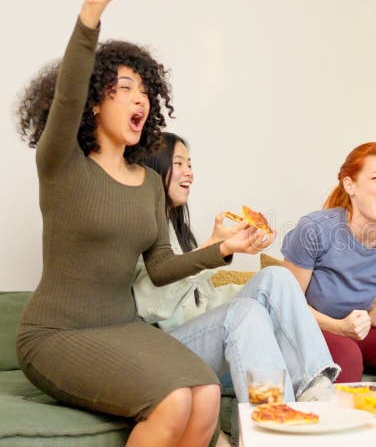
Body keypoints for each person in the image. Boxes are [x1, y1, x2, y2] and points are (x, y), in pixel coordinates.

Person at [14, 0, 269, 446]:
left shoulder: (150, 182)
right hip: (56, 334)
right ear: (95, 102)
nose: (141, 99)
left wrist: (224, 248)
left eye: (146, 92)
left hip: (122, 326)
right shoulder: (62, 164)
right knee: (173, 400)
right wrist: (90, 14)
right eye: (126, 87)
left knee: (207, 393)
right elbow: (68, 94)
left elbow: (161, 267)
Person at [132, 132, 340, 404]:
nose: (189, 173)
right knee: (245, 311)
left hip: (207, 338)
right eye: (179, 163)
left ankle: (316, 388)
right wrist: (215, 248)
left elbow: (202, 297)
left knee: (276, 277)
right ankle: (277, 418)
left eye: (190, 164)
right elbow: (151, 304)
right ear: (155, 167)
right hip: (170, 349)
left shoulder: (177, 229)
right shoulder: (141, 226)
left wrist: (248, 281)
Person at [282, 142, 376, 383]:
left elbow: (370, 307)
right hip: (307, 330)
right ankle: (342, 409)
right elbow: (288, 306)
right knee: (346, 353)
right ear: (350, 185)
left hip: (351, 331)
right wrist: (339, 327)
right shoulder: (314, 229)